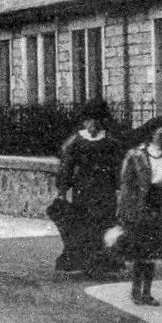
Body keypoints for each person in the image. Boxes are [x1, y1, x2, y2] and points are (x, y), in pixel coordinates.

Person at [116, 116, 162, 307]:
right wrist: (126, 209)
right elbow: (126, 184)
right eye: (161, 134)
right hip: (141, 205)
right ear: (152, 134)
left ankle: (147, 293)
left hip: (160, 205)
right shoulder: (136, 155)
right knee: (140, 253)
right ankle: (135, 291)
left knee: (153, 254)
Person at [55, 99, 125, 276]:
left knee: (105, 224)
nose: (92, 124)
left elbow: (118, 168)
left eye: (96, 119)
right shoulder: (76, 141)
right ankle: (85, 263)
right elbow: (65, 167)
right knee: (84, 225)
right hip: (83, 190)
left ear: (102, 121)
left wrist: (121, 188)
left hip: (105, 190)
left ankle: (104, 264)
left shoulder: (110, 142)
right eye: (89, 120)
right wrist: (62, 192)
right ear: (84, 121)